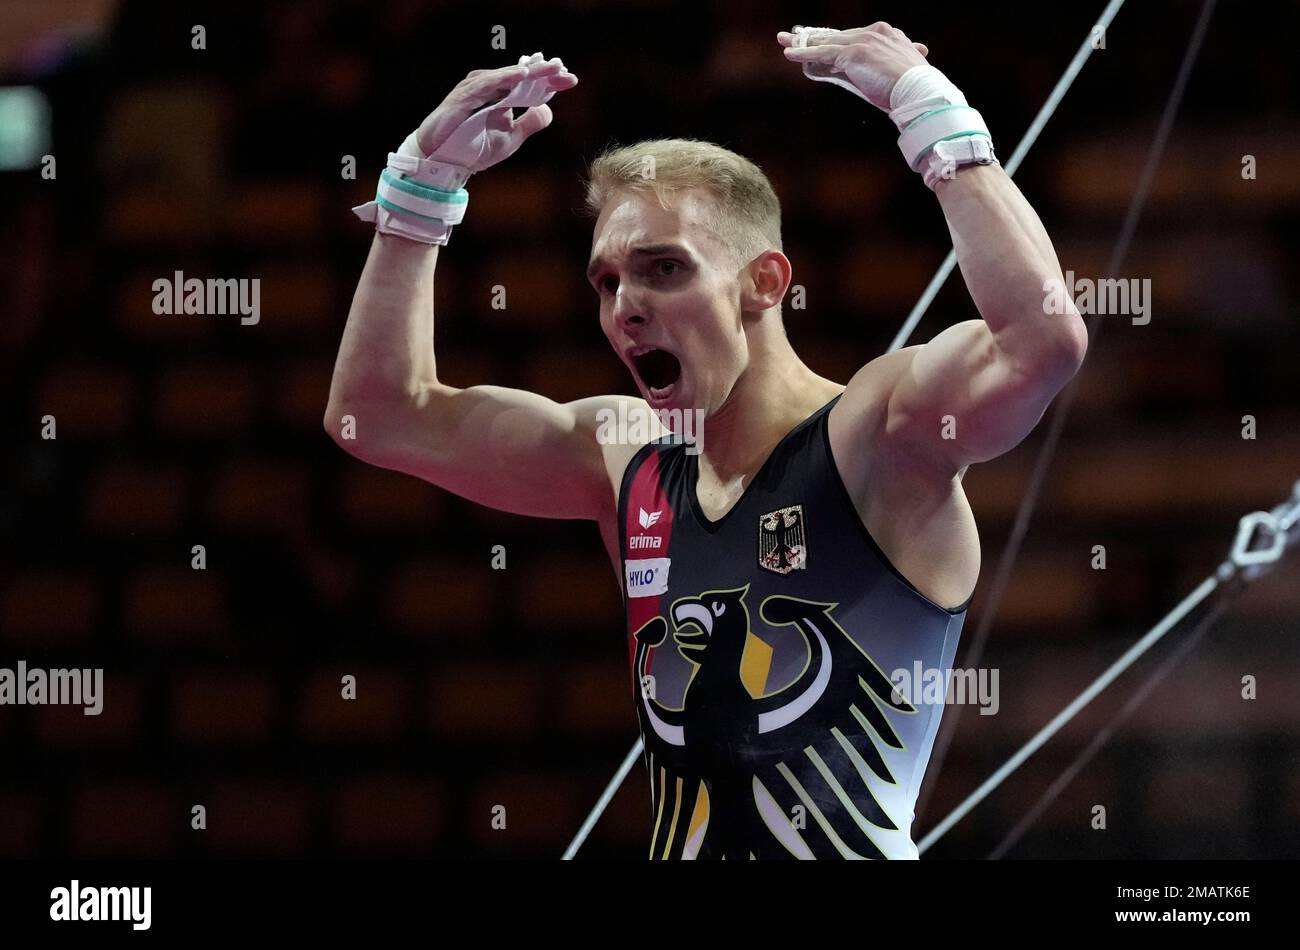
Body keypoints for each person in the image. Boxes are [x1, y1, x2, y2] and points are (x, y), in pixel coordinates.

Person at [326, 26, 1087, 859]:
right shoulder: (624, 458)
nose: (625, 307)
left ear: (764, 282)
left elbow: (1041, 344)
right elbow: (377, 414)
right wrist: (417, 199)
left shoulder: (880, 436)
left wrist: (932, 114)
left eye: (664, 268)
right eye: (607, 282)